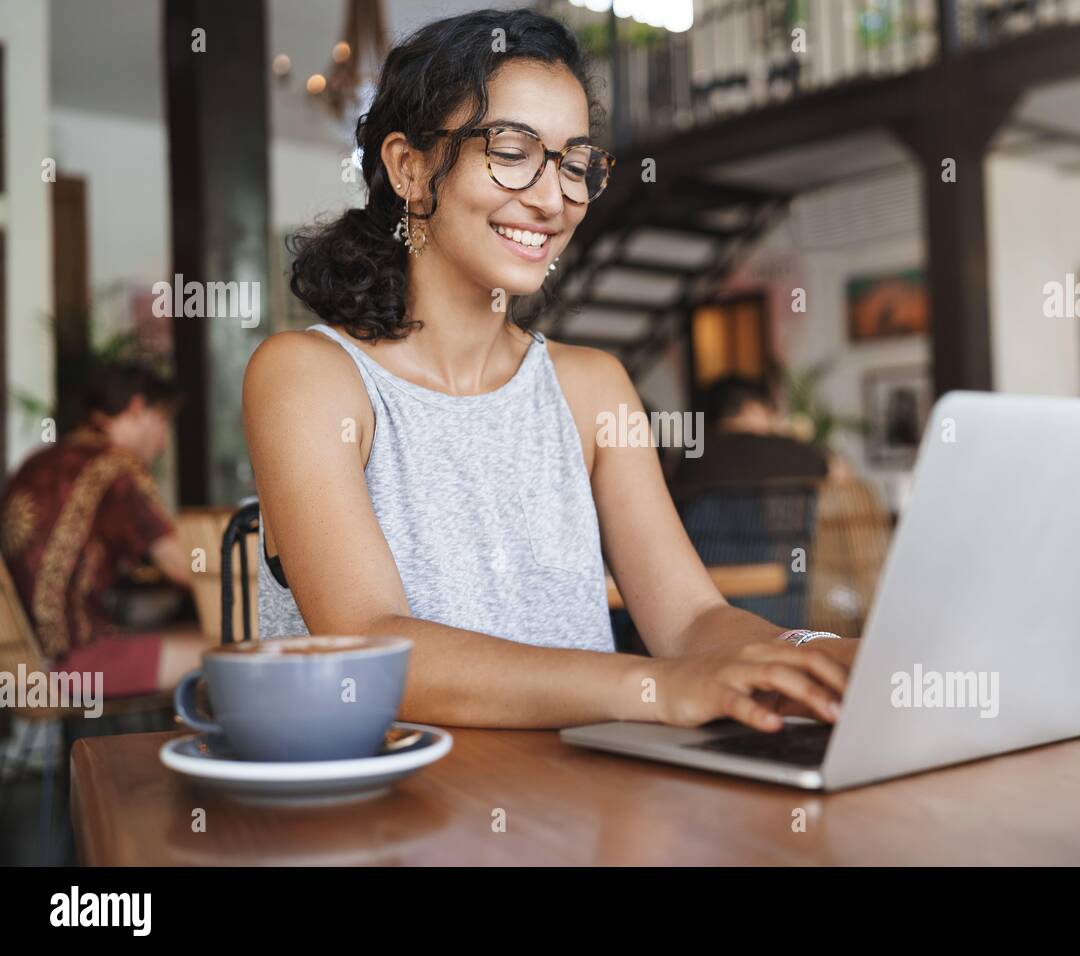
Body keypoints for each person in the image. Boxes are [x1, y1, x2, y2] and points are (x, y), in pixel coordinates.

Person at [244, 8, 857, 735]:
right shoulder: (310, 378)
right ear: (408, 167)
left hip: (576, 808)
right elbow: (373, 647)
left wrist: (816, 655)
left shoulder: (592, 388)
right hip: (383, 819)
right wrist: (659, 690)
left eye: (574, 162)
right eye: (511, 149)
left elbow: (692, 618)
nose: (552, 197)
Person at [0, 364, 206, 697]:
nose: (163, 442)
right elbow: (184, 567)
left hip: (18, 668)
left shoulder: (38, 462)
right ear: (138, 408)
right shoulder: (116, 466)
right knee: (231, 649)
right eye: (163, 421)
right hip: (74, 665)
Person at [668, 374, 829, 492]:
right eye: (769, 410)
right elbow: (827, 470)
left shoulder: (690, 457)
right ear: (751, 409)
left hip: (696, 538)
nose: (773, 418)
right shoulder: (786, 452)